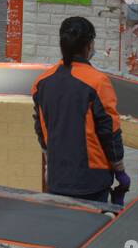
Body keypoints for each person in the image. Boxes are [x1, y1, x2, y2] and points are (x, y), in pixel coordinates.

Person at [32, 16, 130, 205]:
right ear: (89, 45)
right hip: (91, 180)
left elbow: (40, 129)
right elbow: (109, 131)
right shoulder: (97, 82)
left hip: (57, 178)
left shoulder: (42, 82)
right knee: (94, 231)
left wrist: (49, 164)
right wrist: (120, 169)